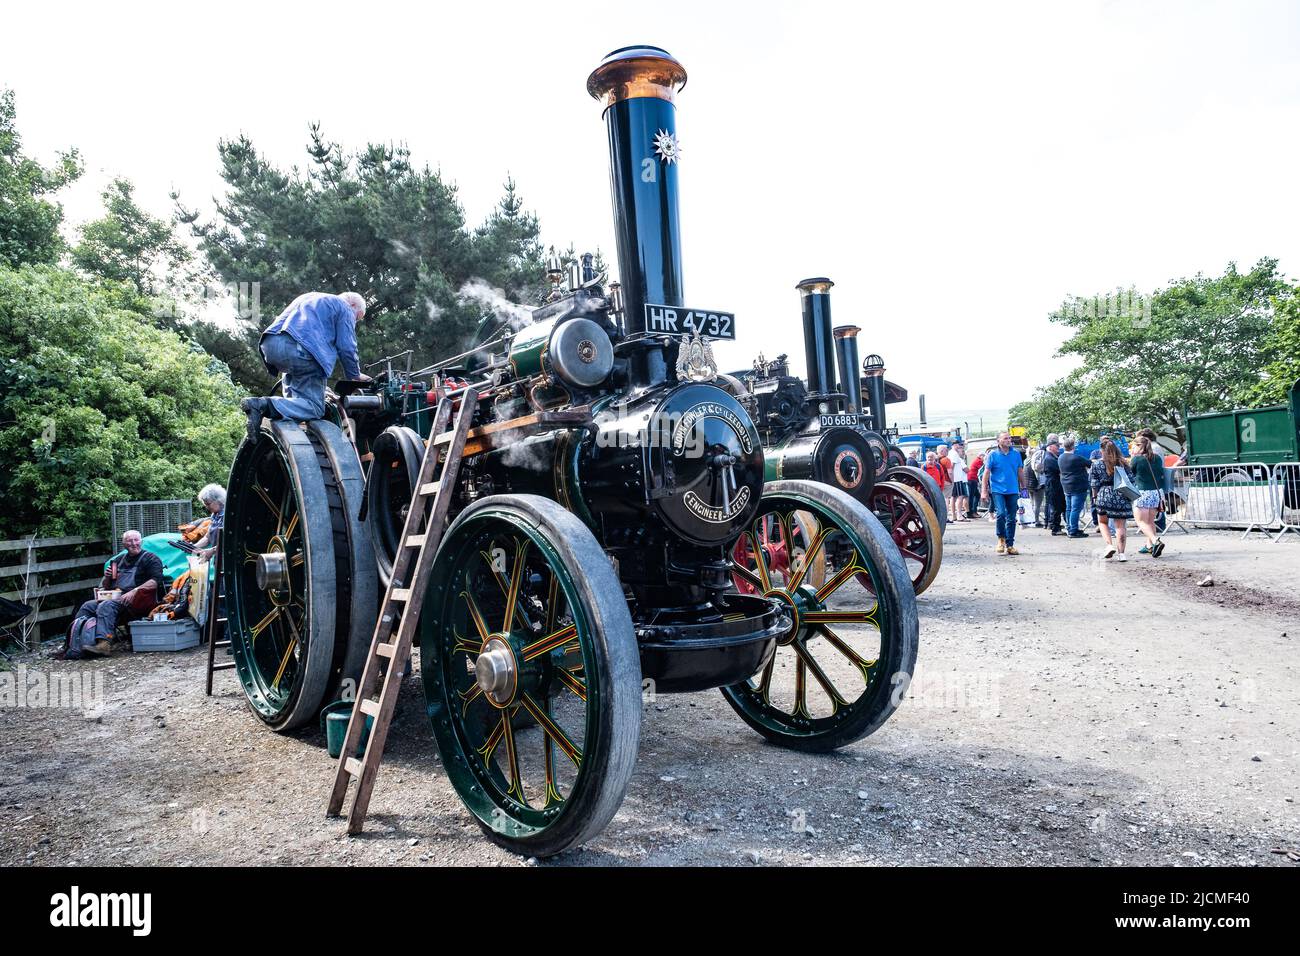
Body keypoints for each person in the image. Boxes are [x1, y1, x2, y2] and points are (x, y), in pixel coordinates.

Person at [241, 291, 371, 440]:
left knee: (295, 405)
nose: (354, 322)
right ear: (353, 305)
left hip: (270, 345)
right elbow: (347, 347)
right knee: (315, 408)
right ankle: (262, 405)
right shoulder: (344, 307)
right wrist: (355, 375)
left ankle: (284, 431)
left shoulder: (308, 297)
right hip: (300, 350)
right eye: (357, 318)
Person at [67, 531, 165, 658]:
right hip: (117, 597)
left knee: (106, 605)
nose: (133, 543)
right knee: (87, 606)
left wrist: (134, 591)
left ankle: (104, 644)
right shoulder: (118, 561)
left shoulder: (151, 559)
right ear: (124, 544)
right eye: (129, 541)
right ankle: (75, 643)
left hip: (140, 600)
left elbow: (155, 581)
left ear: (141, 541)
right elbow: (107, 586)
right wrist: (107, 578)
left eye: (136, 540)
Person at [980, 431, 1027, 555]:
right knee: (1001, 514)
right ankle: (1001, 538)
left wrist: (1024, 487)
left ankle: (1010, 544)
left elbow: (1020, 471)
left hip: (1013, 489)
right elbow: (986, 473)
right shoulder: (993, 455)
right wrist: (984, 491)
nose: (1009, 440)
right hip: (997, 490)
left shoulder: (1016, 454)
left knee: (1011, 518)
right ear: (998, 441)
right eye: (1005, 438)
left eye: (1009, 438)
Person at [1089, 437, 1134, 561]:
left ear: (1102, 451)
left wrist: (1094, 496)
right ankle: (1122, 554)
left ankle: (1109, 545)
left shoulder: (1097, 464)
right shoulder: (1123, 463)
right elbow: (1131, 480)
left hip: (1104, 495)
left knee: (1102, 522)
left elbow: (1094, 483)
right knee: (1120, 526)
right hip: (1121, 495)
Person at [1128, 435, 1167, 557]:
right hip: (1156, 492)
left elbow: (1131, 473)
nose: (1132, 448)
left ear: (1139, 446)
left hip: (1143, 493)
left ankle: (1156, 541)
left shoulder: (1136, 459)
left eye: (1133, 446)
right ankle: (1149, 546)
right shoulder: (1157, 458)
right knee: (1150, 521)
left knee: (1140, 521)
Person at [1058, 437, 1091, 538]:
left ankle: (1069, 527)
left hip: (1066, 485)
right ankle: (1073, 530)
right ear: (1073, 446)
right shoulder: (1077, 458)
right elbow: (1090, 464)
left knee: (1069, 508)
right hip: (1078, 486)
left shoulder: (1060, 457)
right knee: (1075, 509)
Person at [191, 484, 226, 559]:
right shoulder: (214, 516)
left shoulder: (227, 516)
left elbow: (229, 542)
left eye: (208, 504)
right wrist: (193, 547)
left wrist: (212, 550)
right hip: (218, 559)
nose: (207, 507)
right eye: (205, 504)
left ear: (219, 500)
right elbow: (207, 538)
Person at [1041, 434, 1066, 535]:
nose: (1058, 448)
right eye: (1057, 446)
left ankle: (1056, 525)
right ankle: (1055, 528)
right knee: (1056, 506)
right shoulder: (1049, 458)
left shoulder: (1053, 456)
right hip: (1053, 485)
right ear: (1050, 447)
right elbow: (1060, 469)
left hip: (1055, 484)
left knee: (1059, 506)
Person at [948, 441, 969, 521]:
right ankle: (959, 515)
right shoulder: (954, 454)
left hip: (954, 478)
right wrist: (951, 476)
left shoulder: (950, 453)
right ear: (954, 445)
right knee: (960, 496)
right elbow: (952, 465)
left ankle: (954, 515)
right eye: (958, 445)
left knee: (953, 497)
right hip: (957, 478)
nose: (959, 447)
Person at [966, 450, 984, 518]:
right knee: (973, 496)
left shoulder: (977, 460)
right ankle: (972, 512)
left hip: (972, 479)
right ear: (980, 456)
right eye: (983, 456)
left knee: (975, 495)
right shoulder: (979, 461)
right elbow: (983, 469)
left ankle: (973, 511)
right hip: (972, 479)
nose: (984, 458)